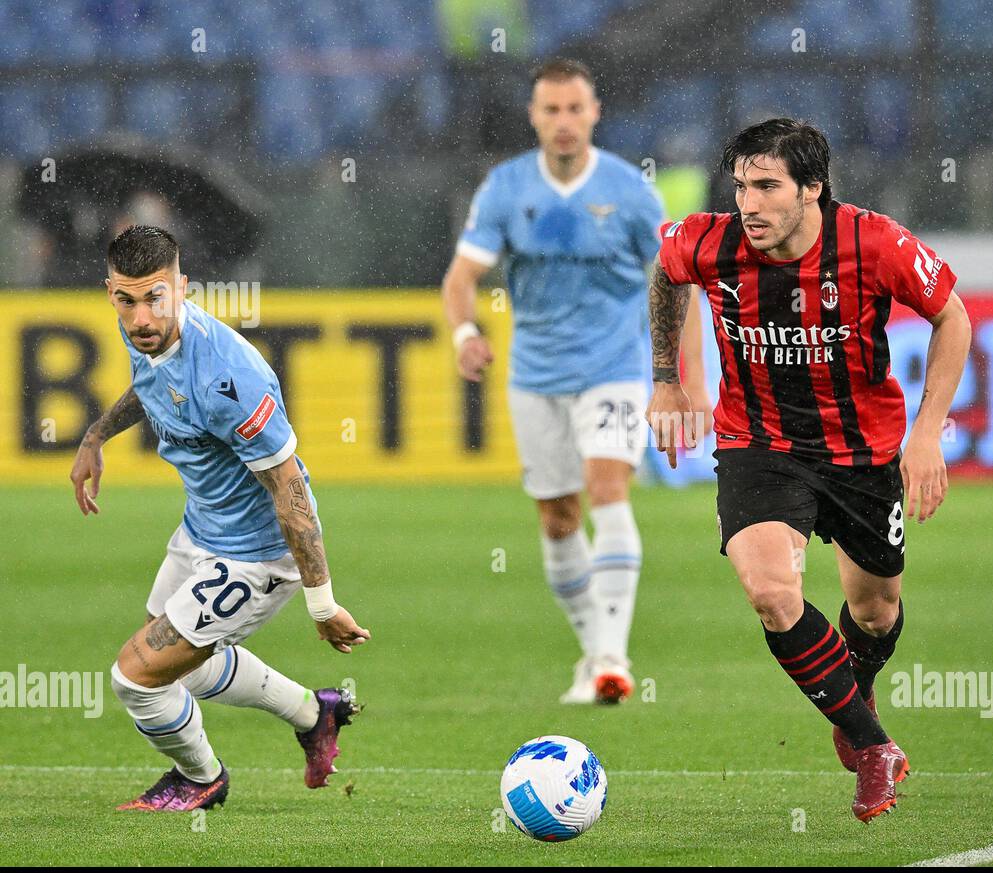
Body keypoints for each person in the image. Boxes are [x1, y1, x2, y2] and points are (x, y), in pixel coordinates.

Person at [646, 119, 971, 823]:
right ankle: (873, 743)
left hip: (862, 454)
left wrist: (927, 434)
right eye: (740, 187)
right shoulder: (709, 240)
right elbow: (666, 274)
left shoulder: (873, 242)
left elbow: (954, 318)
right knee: (770, 591)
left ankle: (855, 687)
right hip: (757, 444)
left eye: (767, 186)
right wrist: (667, 378)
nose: (749, 204)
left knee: (874, 612)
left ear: (812, 190)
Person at [69, 224, 371, 811]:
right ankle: (315, 714)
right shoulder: (143, 330)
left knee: (137, 677)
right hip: (202, 529)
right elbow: (149, 385)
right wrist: (95, 435)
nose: (140, 319)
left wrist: (321, 603)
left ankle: (201, 779)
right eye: (126, 300)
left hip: (256, 555)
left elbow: (289, 488)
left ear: (182, 287)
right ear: (111, 292)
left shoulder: (229, 379)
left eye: (156, 297)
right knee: (185, 666)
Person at [441, 58, 706, 704]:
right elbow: (460, 278)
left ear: (595, 113)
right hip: (534, 376)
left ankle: (613, 657)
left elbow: (679, 282)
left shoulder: (631, 191)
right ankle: (593, 652)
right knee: (559, 517)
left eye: (574, 109)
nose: (563, 121)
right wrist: (464, 334)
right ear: (534, 116)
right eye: (551, 110)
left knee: (607, 488)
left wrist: (687, 382)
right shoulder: (505, 189)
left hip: (612, 368)